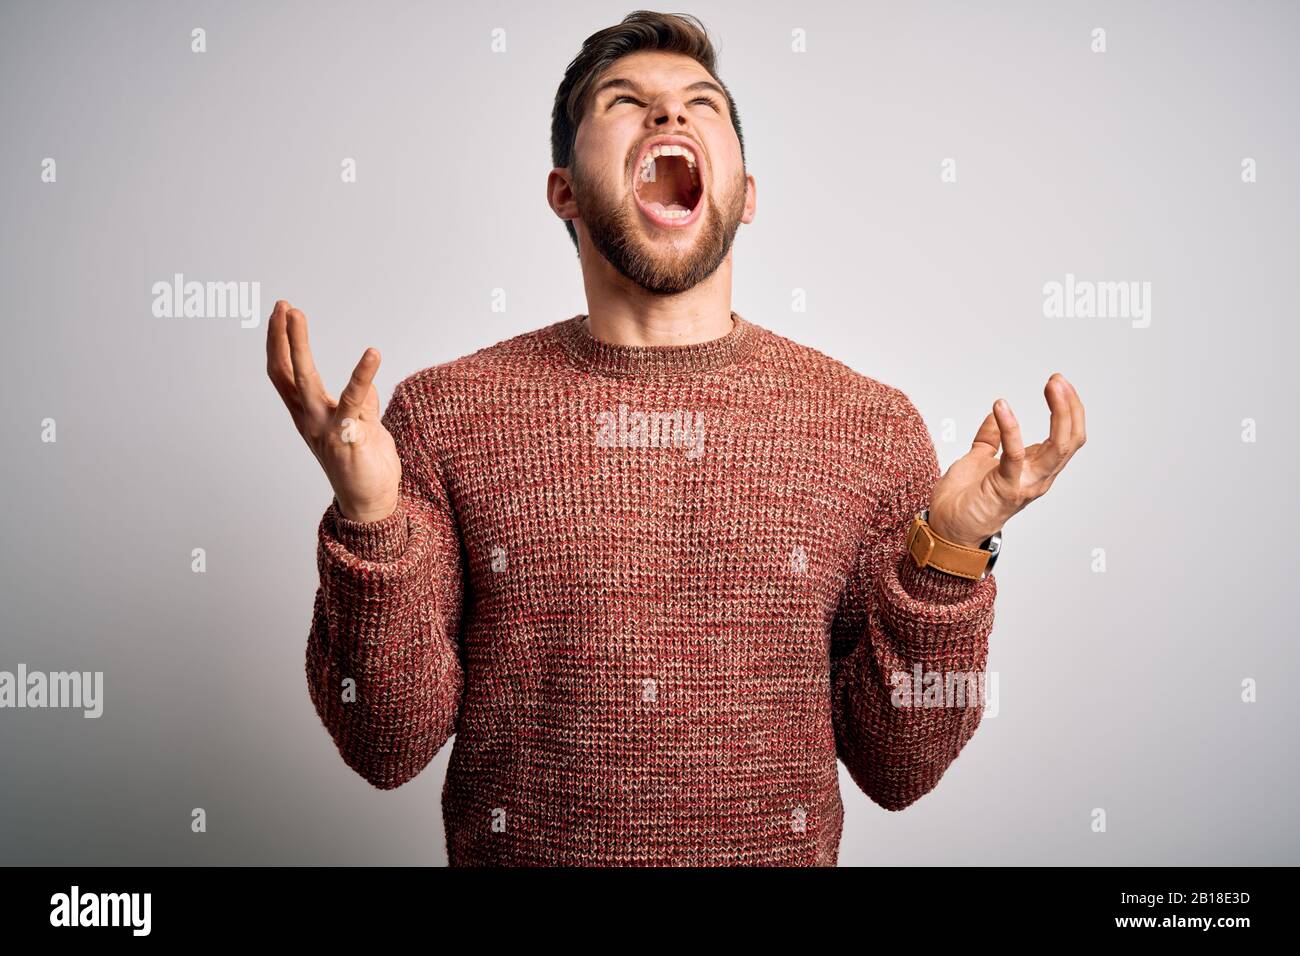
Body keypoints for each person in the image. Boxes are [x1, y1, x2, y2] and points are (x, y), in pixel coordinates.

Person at [266, 11, 1086, 866]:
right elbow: (385, 745)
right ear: (564, 191)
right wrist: (367, 519)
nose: (668, 117)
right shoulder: (445, 415)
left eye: (702, 104)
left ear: (748, 190)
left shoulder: (868, 427)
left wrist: (950, 552)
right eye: (627, 102)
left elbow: (896, 767)